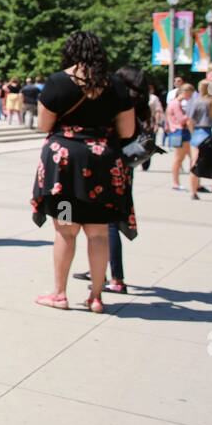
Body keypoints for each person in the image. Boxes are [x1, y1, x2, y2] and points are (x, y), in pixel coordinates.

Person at [30, 33, 136, 313]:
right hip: (102, 169)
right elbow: (127, 131)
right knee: (99, 233)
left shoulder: (57, 82)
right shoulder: (115, 85)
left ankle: (60, 294)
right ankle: (97, 297)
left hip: (65, 170)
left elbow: (43, 125)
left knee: (66, 230)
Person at [73, 65, 156, 294]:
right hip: (123, 167)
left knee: (105, 222)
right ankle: (98, 266)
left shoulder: (119, 103)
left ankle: (116, 279)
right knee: (101, 222)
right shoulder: (138, 106)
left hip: (109, 166)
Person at [188, 79, 212, 200]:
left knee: (195, 162)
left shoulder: (198, 102)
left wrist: (192, 132)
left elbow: (189, 120)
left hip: (199, 132)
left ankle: (193, 192)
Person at [166, 83, 195, 190]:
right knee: (179, 159)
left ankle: (193, 183)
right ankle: (176, 183)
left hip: (177, 132)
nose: (190, 98)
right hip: (179, 132)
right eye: (190, 95)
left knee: (189, 157)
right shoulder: (176, 104)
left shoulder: (174, 103)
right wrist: (192, 115)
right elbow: (181, 119)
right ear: (185, 92)